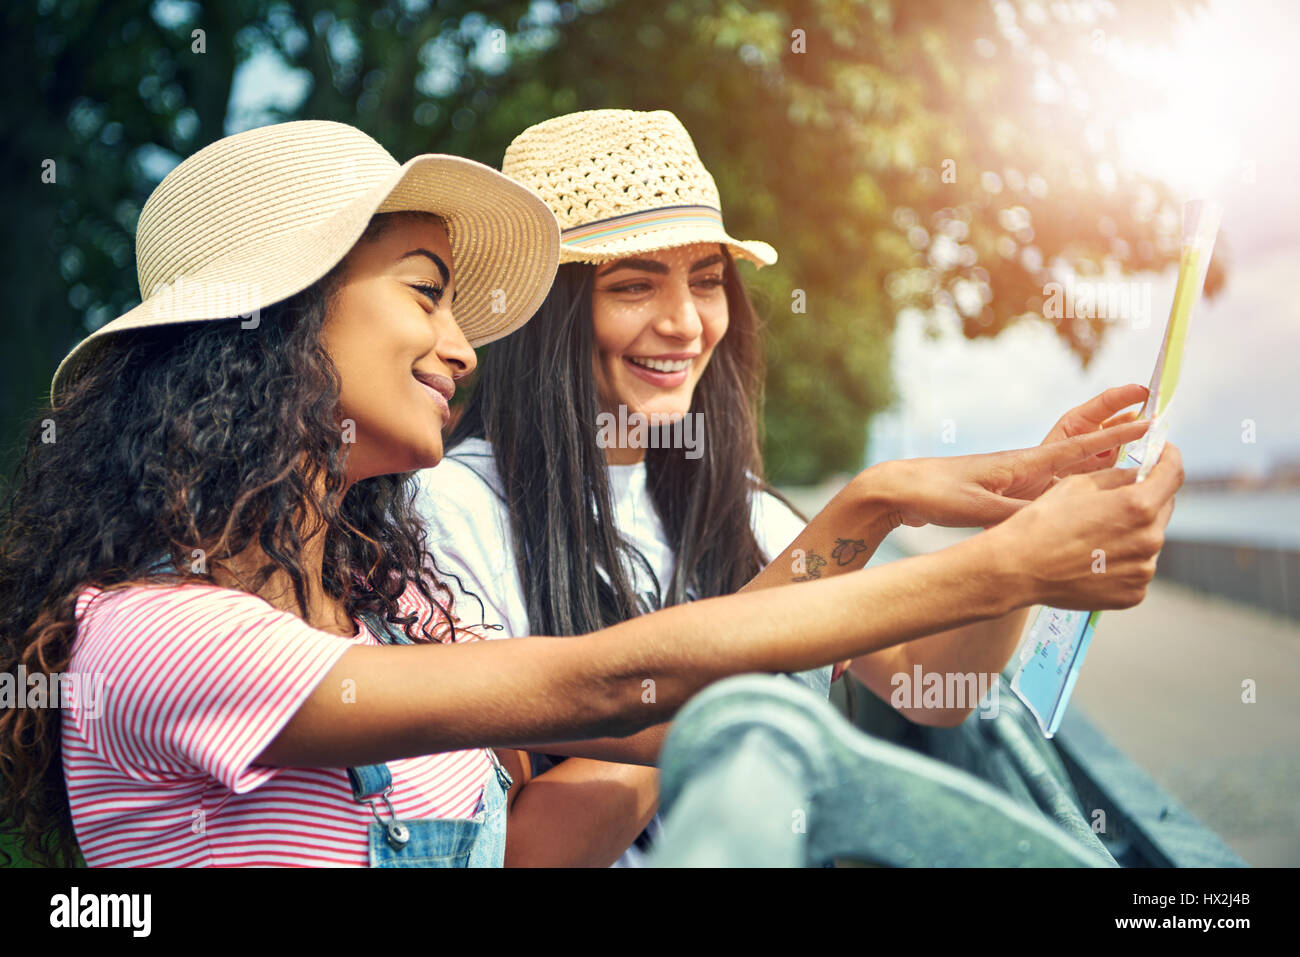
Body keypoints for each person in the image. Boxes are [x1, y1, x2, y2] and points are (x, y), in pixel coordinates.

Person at [0, 119, 1179, 869]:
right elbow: (609, 678)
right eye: (426, 294)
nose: (464, 347)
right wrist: (993, 560)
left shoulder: (391, 601)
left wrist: (908, 512)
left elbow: (648, 721)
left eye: (706, 283)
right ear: (276, 325)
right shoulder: (162, 640)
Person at [416, 109, 1163, 865]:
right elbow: (523, 853)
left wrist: (1021, 526)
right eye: (635, 285)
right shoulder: (447, 516)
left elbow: (932, 688)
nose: (684, 322)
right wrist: (787, 636)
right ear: (549, 314)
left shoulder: (736, 504)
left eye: (707, 282)